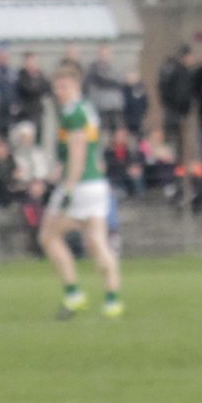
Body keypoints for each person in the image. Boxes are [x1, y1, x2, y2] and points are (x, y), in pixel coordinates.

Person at [40, 62, 122, 319]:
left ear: (74, 85)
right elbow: (93, 150)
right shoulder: (88, 109)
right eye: (55, 86)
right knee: (97, 242)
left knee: (48, 237)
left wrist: (68, 186)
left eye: (62, 85)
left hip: (80, 186)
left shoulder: (73, 112)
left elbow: (78, 151)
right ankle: (112, 300)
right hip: (97, 184)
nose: (58, 90)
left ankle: (74, 294)